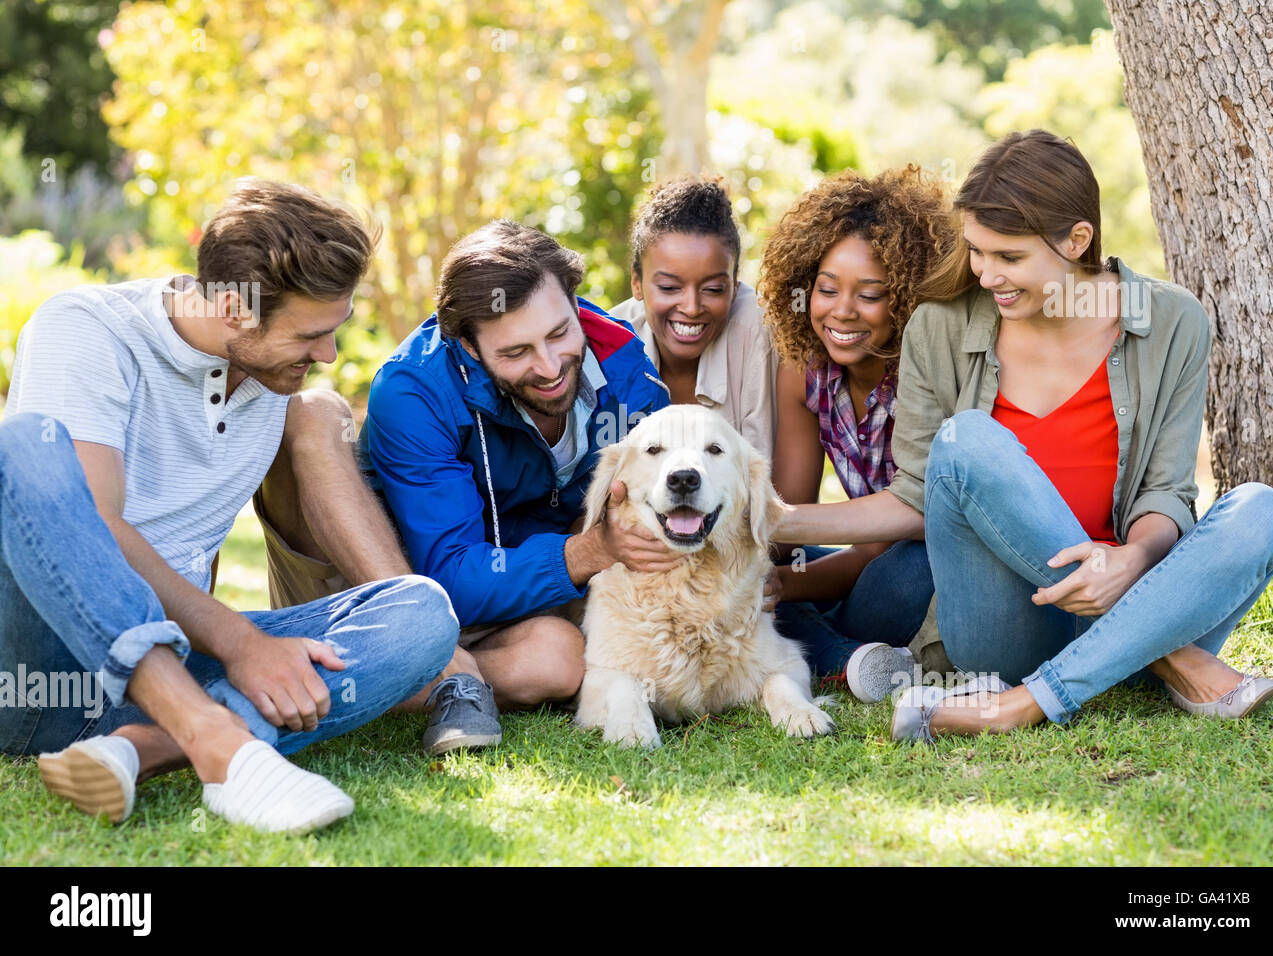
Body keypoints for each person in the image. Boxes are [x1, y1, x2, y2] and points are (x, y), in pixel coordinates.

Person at [774, 129, 1273, 741]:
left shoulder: (1172, 321)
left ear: (1078, 240)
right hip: (1012, 622)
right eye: (976, 252)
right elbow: (915, 496)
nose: (986, 274)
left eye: (1009, 258)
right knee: (966, 440)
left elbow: (1166, 493)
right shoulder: (939, 329)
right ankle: (1166, 656)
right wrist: (770, 521)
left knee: (1263, 509)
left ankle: (1026, 704)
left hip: (1139, 588)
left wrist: (1129, 560)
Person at [0, 179, 459, 832]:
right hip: (43, 674)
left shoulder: (270, 384)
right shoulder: (88, 330)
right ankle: (216, 740)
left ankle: (138, 749)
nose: (327, 355)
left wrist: (243, 646)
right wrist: (239, 640)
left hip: (169, 676)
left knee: (420, 613)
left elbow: (197, 543)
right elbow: (97, 530)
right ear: (236, 312)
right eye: (310, 335)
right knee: (26, 444)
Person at [255, 220, 677, 756]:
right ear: (468, 347)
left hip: (504, 615)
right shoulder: (415, 387)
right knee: (315, 410)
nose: (549, 367)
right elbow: (449, 573)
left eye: (558, 334)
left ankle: (399, 683)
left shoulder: (626, 372)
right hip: (366, 590)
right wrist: (587, 550)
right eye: (517, 351)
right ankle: (377, 661)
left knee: (558, 660)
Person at [758, 167, 952, 702]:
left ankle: (826, 645)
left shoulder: (926, 375)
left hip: (920, 566)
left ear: (907, 300)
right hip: (857, 561)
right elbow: (789, 522)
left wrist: (786, 588)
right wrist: (764, 573)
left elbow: (889, 537)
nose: (842, 312)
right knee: (766, 572)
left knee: (910, 569)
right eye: (826, 289)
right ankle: (853, 657)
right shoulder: (804, 370)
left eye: (870, 294)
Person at [608, 176, 777, 458]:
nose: (691, 307)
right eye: (669, 288)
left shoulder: (762, 334)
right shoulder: (610, 343)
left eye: (713, 289)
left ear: (735, 286)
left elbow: (781, 493)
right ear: (636, 283)